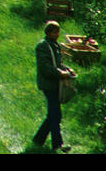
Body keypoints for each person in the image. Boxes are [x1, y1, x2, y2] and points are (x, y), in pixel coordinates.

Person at [33, 21, 76, 152]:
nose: (57, 34)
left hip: (56, 84)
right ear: (48, 32)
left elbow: (59, 63)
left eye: (58, 32)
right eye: (55, 32)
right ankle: (57, 145)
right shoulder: (42, 46)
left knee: (53, 115)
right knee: (56, 115)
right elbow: (45, 67)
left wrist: (68, 70)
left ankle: (38, 140)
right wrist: (60, 73)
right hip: (48, 84)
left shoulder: (55, 45)